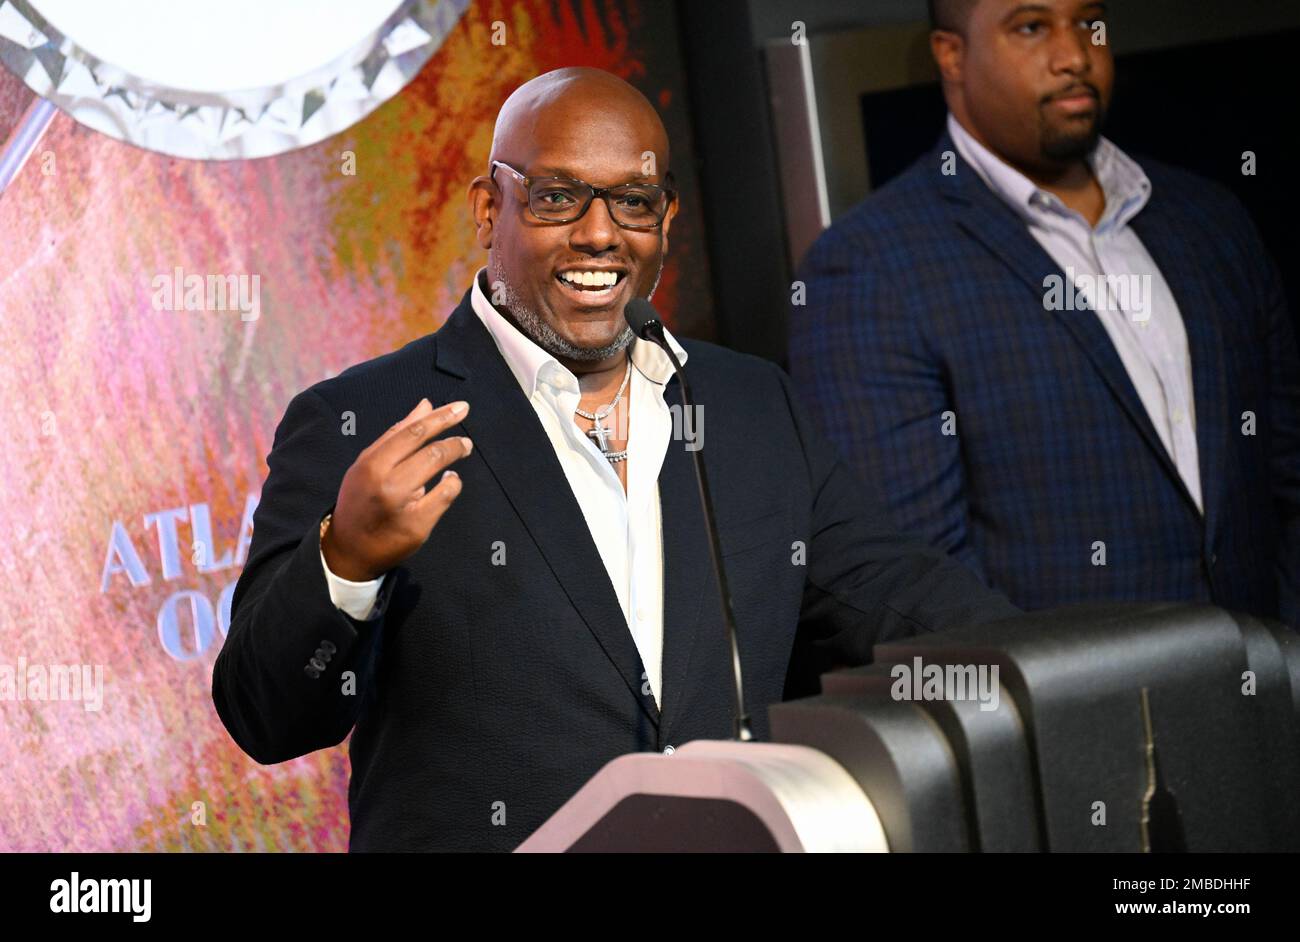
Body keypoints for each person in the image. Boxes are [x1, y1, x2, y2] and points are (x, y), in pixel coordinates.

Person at [213, 67, 1018, 852]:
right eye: (558, 197)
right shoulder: (361, 420)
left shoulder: (748, 407)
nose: (599, 234)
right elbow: (265, 717)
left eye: (632, 201)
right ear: (488, 209)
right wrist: (345, 559)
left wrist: (1085, 671)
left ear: (665, 219)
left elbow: (904, 602)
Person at [790, 0, 1299, 629]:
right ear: (952, 55)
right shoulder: (871, 269)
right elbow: (906, 582)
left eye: (1089, 23)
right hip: (1071, 715)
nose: (1075, 56)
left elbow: (1286, 477)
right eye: (1031, 27)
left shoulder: (1210, 219)